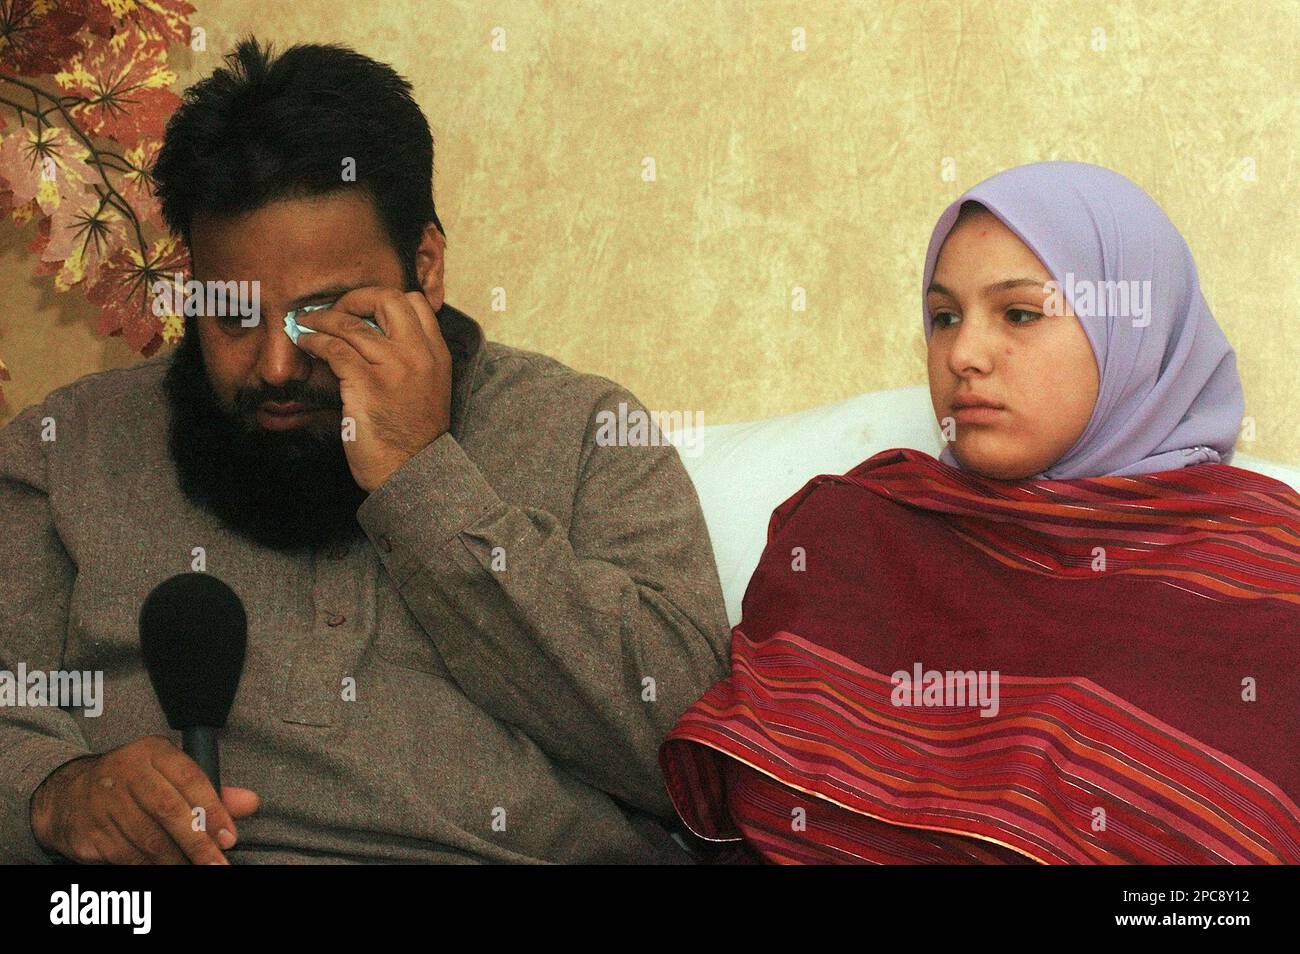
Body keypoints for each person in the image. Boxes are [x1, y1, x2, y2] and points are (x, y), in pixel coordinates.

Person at [0, 37, 730, 864]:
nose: (275, 366)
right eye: (233, 315)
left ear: (426, 265)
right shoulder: (65, 452)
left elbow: (697, 753)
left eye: (324, 315)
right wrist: (55, 791)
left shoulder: (588, 432)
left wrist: (423, 483)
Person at [660, 161, 1300, 864]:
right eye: (943, 318)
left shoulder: (1268, 567)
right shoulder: (859, 528)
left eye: (1019, 313)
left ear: (1133, 329)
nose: (962, 354)